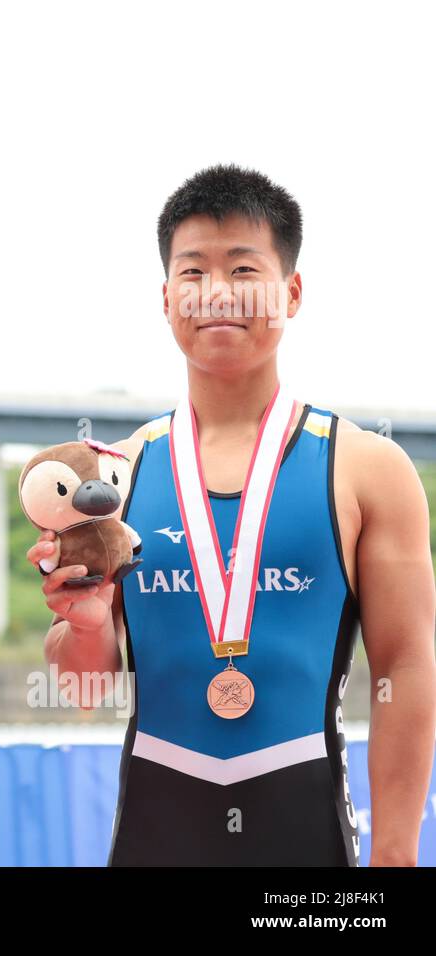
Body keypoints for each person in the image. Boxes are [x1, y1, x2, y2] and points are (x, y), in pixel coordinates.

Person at [31, 165, 436, 866]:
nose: (217, 292)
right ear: (166, 299)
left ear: (292, 292)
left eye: (243, 268)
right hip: (155, 837)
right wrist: (87, 624)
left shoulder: (366, 469)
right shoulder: (113, 477)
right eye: (193, 272)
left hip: (309, 842)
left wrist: (396, 856)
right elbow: (83, 690)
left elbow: (406, 666)